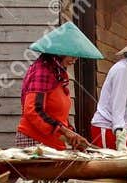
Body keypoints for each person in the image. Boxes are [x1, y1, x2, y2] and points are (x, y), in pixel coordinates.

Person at [16, 21, 99, 149]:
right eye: (72, 54)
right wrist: (65, 131)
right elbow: (33, 110)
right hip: (35, 142)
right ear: (59, 52)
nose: (75, 59)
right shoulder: (42, 71)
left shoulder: (57, 74)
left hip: (52, 143)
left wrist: (73, 135)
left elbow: (57, 115)